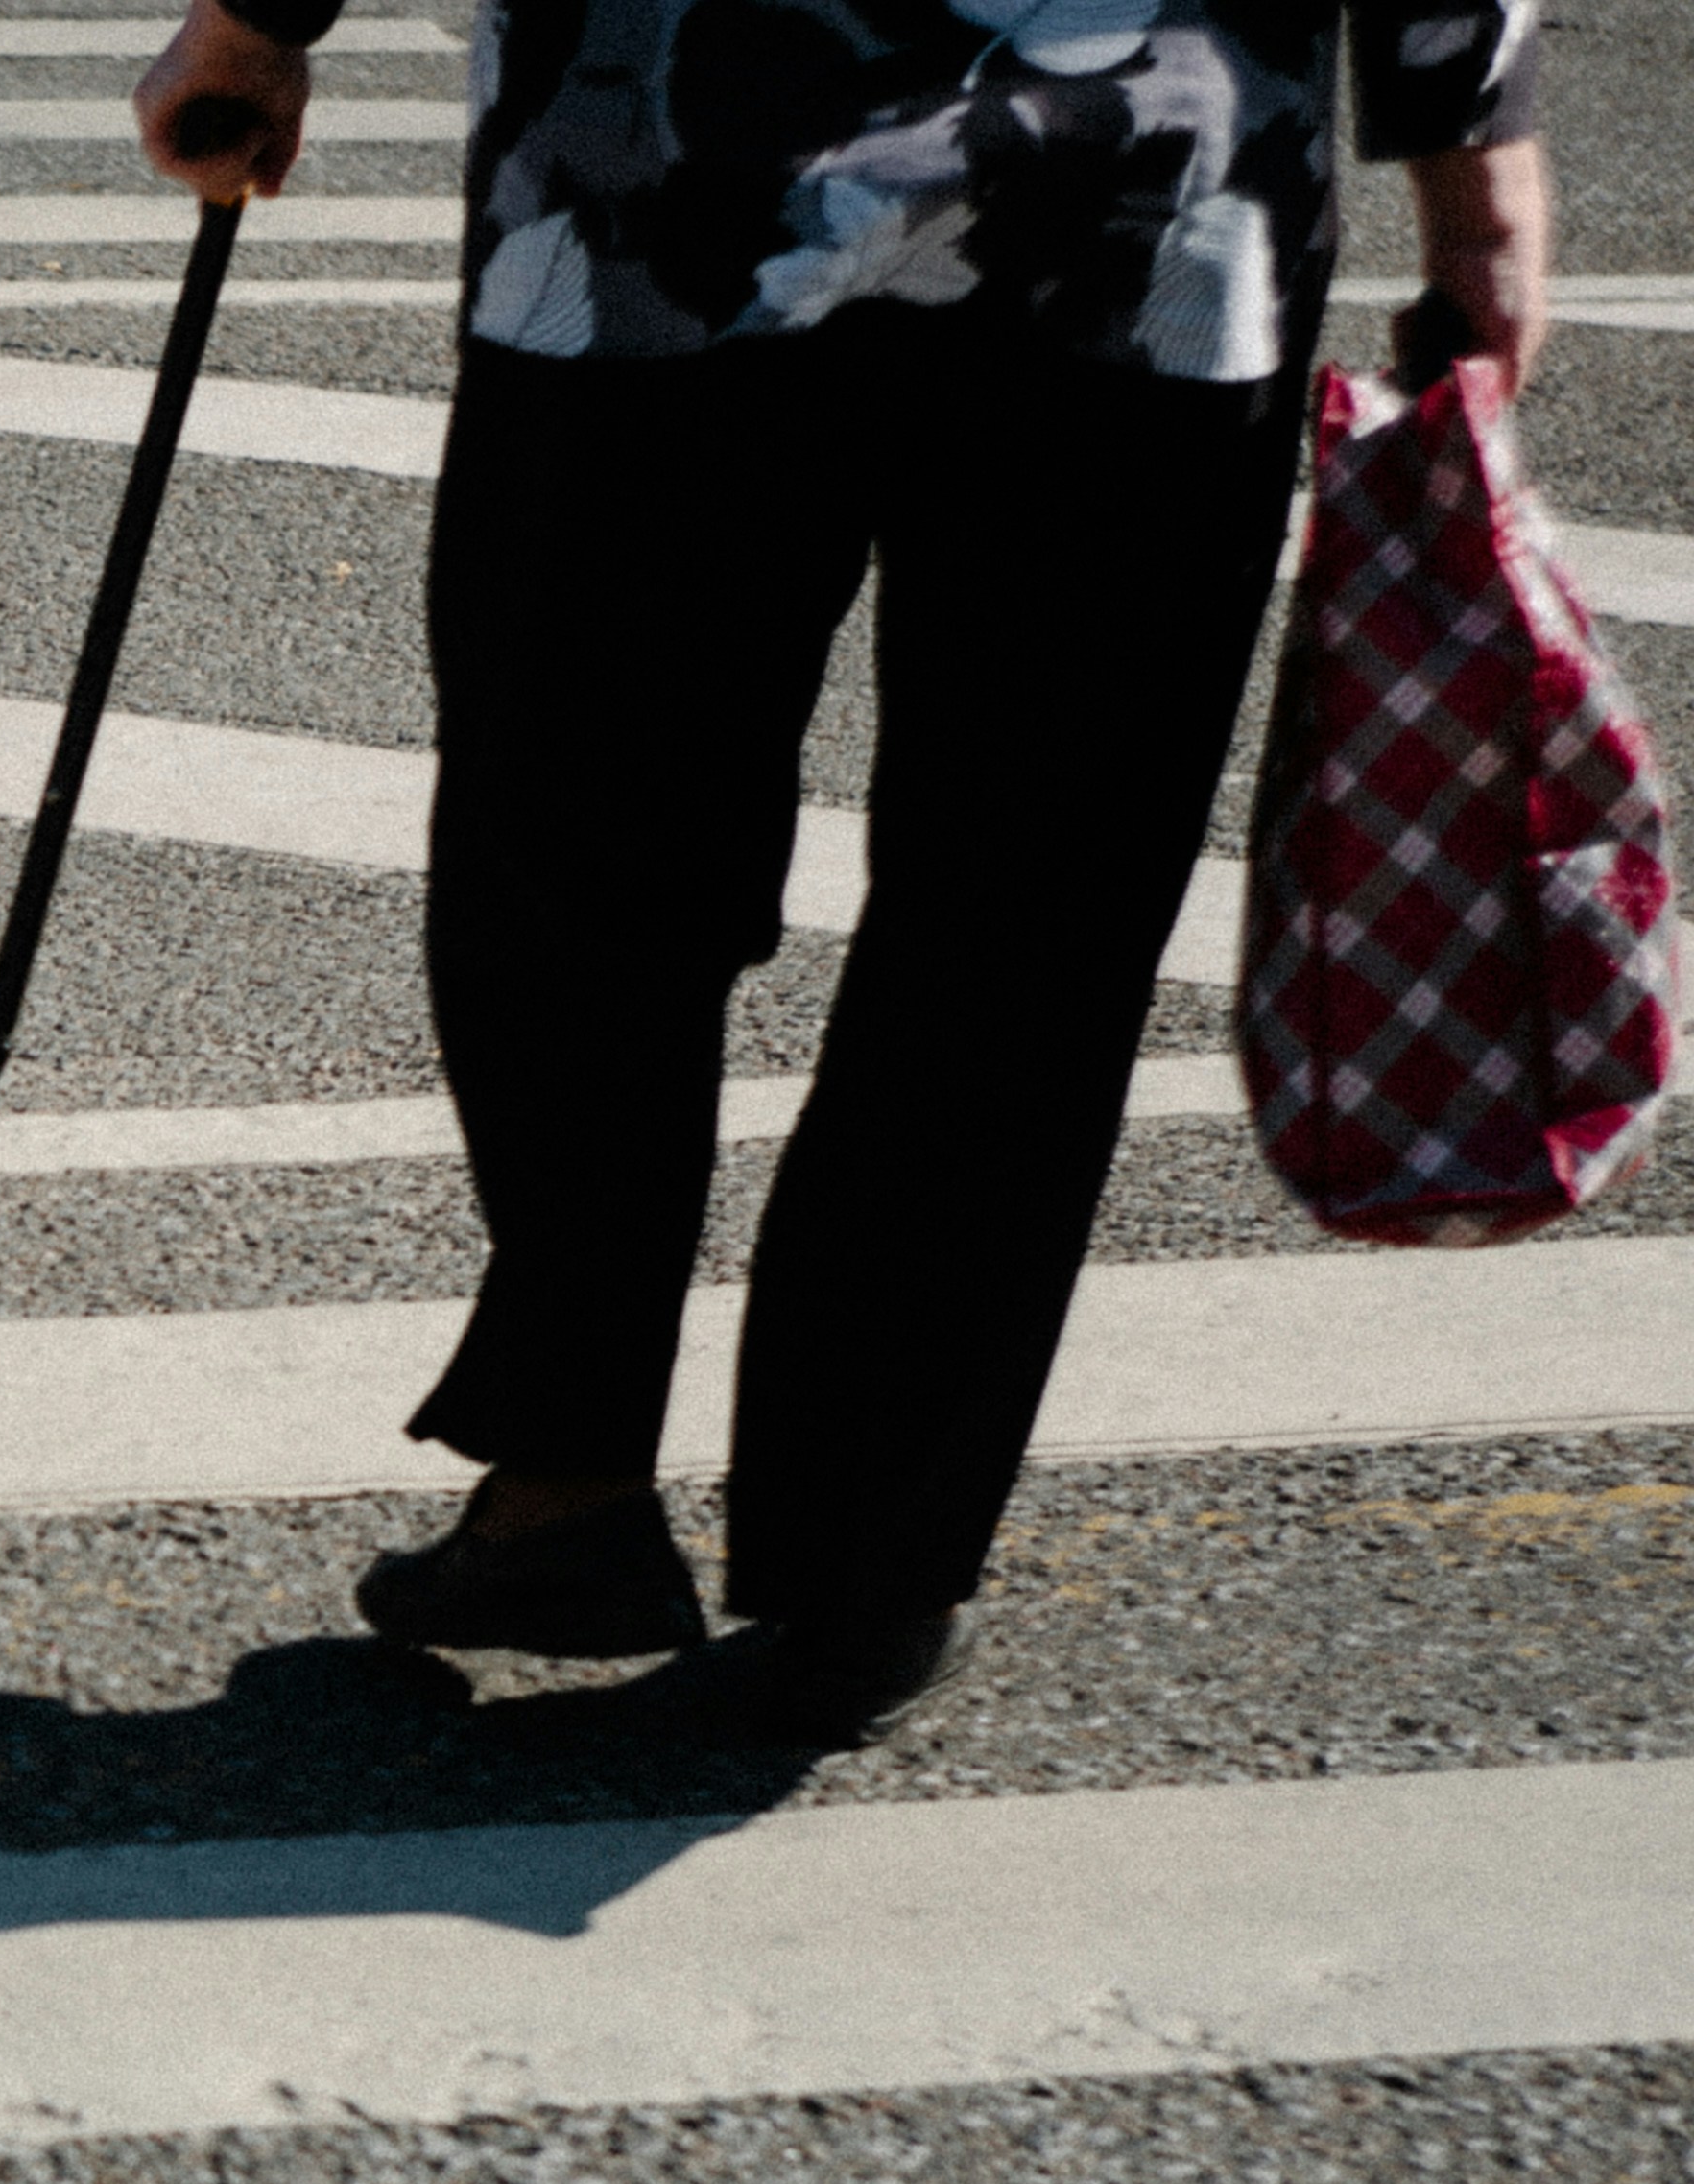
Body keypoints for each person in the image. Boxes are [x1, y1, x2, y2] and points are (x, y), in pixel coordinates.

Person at [131, 0, 1555, 1745]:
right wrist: (1474, 169)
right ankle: (868, 1559)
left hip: (654, 180)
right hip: (1151, 208)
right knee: (1022, 919)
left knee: (573, 852)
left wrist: (257, 23)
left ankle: (569, 1473)